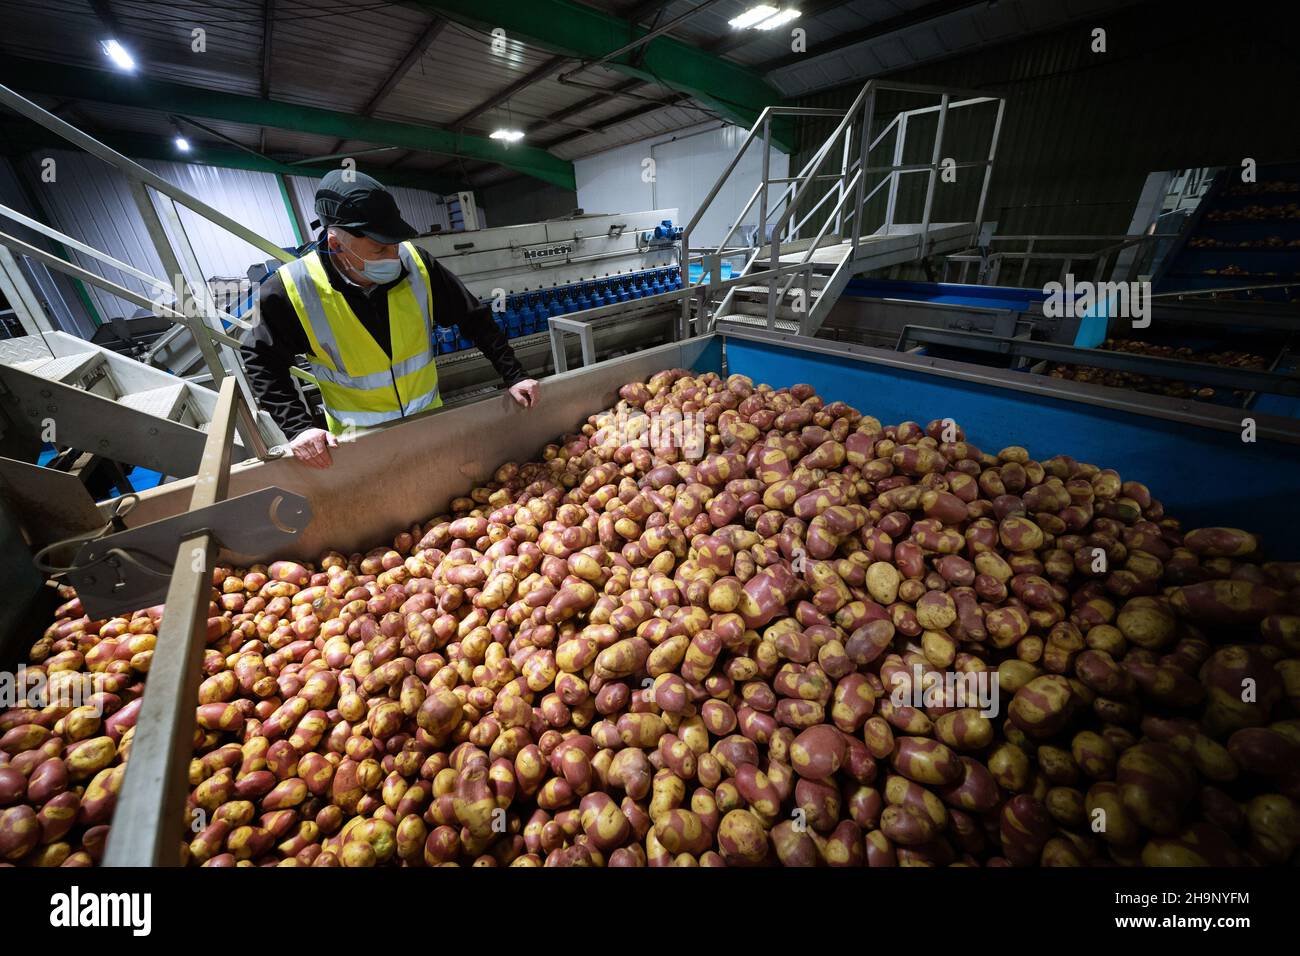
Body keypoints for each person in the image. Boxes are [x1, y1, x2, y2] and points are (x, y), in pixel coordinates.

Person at [242, 170, 539, 468]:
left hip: (429, 424)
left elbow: (474, 318)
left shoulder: (417, 264)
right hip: (357, 444)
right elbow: (260, 359)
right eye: (380, 248)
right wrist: (299, 428)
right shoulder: (293, 289)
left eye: (395, 244)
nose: (394, 257)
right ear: (335, 244)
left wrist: (514, 374)